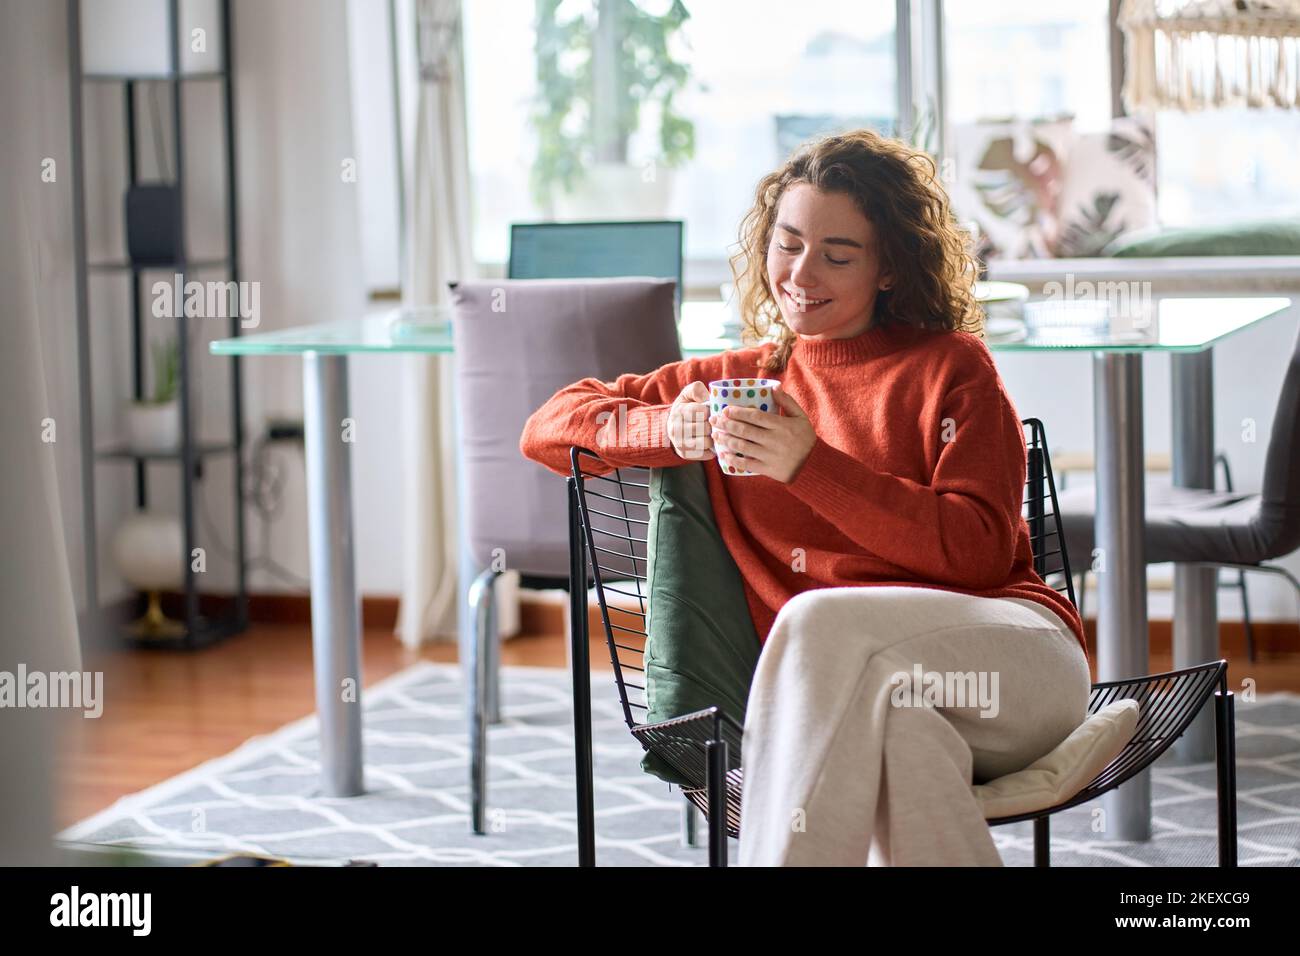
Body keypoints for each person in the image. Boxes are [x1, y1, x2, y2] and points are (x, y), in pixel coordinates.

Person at [519, 128, 1091, 866]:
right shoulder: (739, 382)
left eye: (838, 254)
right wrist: (670, 427)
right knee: (899, 746)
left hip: (1014, 667)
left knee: (820, 621)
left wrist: (811, 467)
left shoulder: (952, 368)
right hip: (871, 701)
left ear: (888, 269)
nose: (801, 272)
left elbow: (979, 553)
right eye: (787, 243)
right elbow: (547, 426)